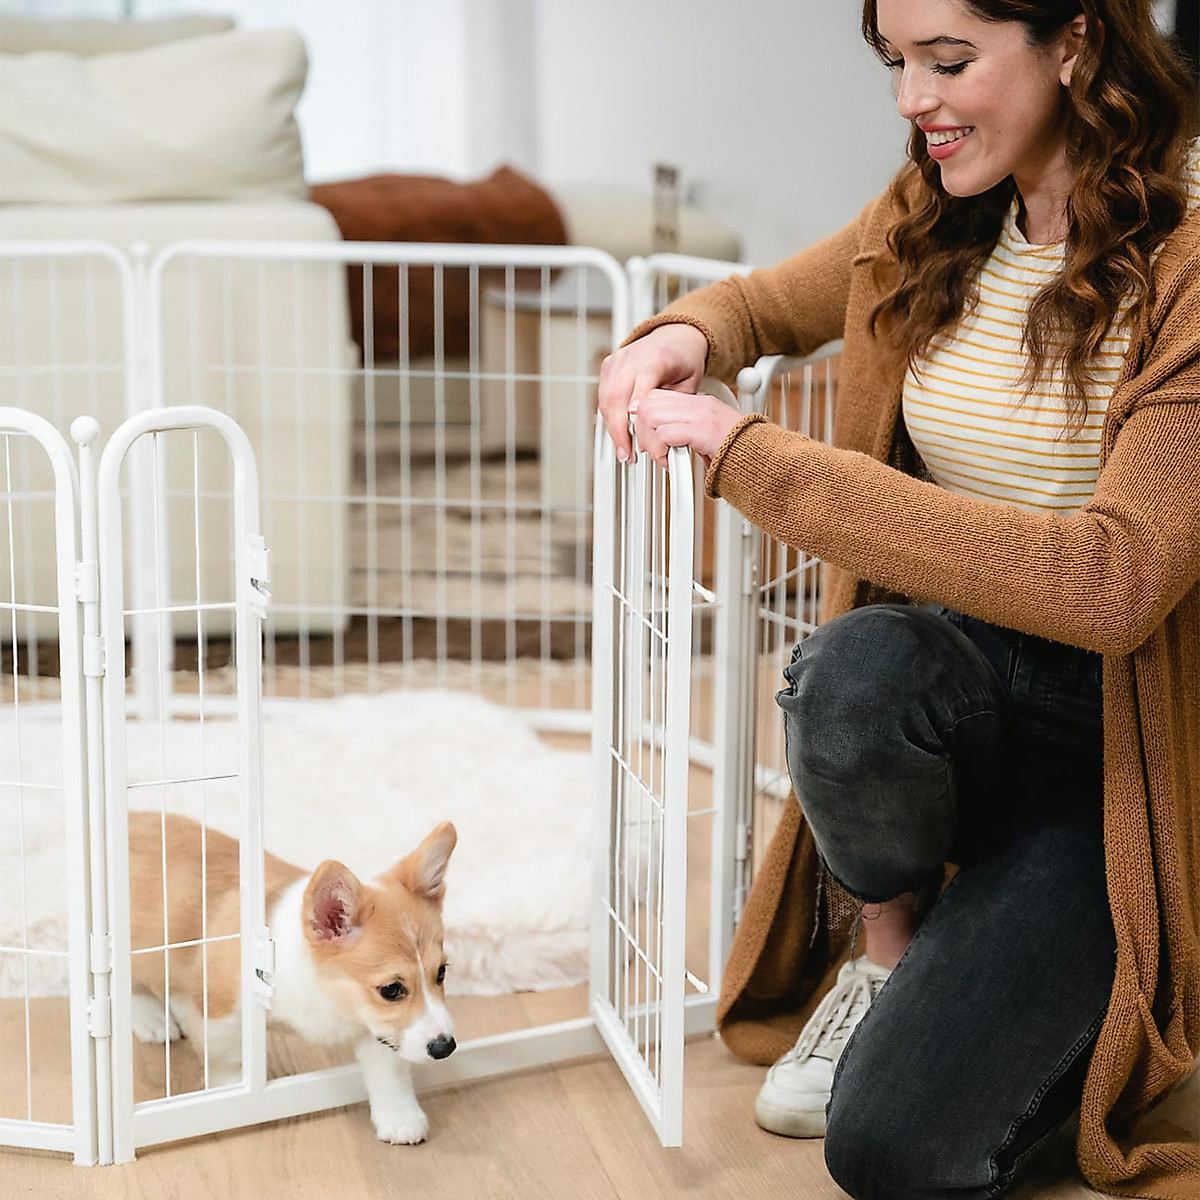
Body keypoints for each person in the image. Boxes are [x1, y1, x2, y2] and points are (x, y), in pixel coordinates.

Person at [596, 2, 1200, 1197]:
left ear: (1074, 43)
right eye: (894, 64)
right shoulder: (931, 213)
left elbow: (1116, 580)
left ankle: (1049, 966)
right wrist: (675, 336)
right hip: (950, 692)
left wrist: (758, 459)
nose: (912, 100)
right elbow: (763, 305)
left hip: (1112, 754)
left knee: (894, 1151)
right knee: (854, 671)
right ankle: (890, 954)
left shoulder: (1187, 268)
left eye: (949, 62)